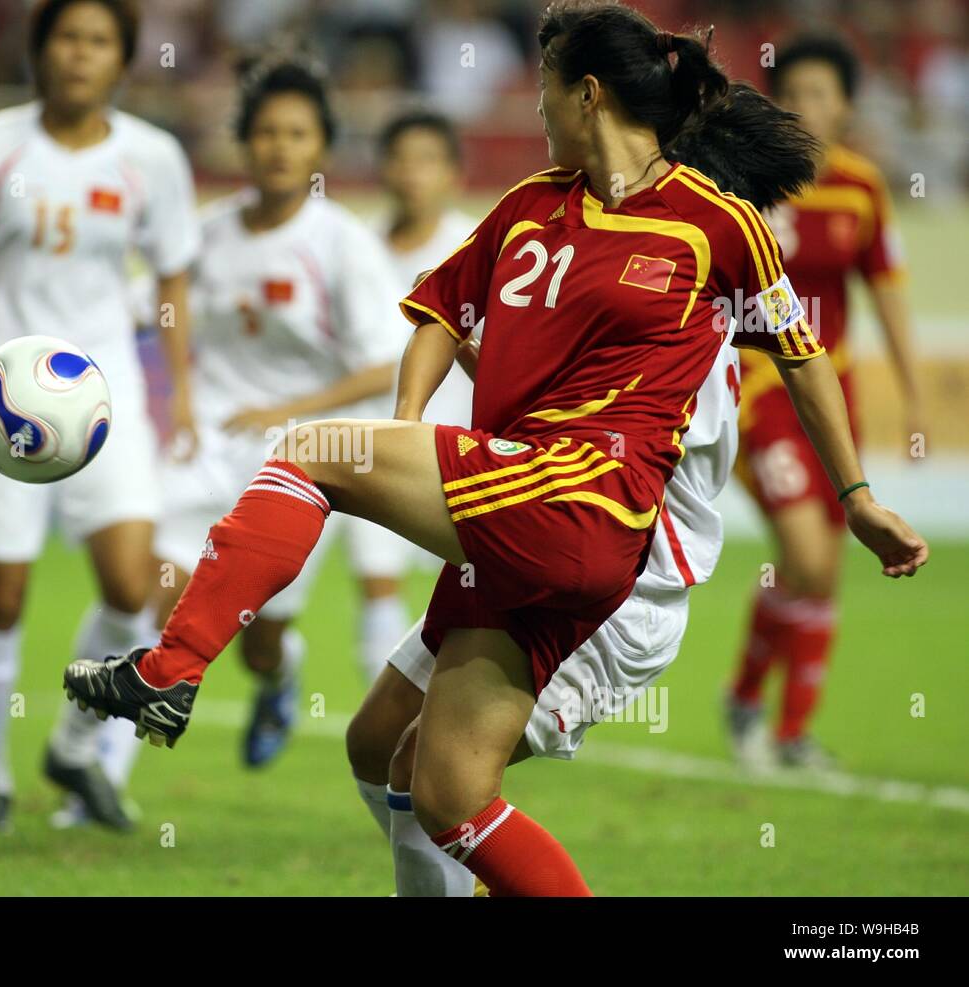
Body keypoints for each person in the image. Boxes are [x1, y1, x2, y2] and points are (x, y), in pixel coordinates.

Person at [65, 2, 926, 897]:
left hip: (609, 534)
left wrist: (857, 495)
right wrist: (408, 422)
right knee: (418, 773)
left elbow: (801, 352)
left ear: (586, 94)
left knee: (313, 452)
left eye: (547, 91)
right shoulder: (530, 208)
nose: (536, 112)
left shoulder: (715, 232)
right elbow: (442, 310)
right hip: (521, 502)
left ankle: (171, 669)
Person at [345, 92, 775, 895]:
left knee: (435, 777)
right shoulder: (631, 299)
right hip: (533, 548)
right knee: (374, 740)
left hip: (616, 590)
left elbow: (610, 445)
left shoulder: (688, 332)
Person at [0, 0, 199, 835]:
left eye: (99, 40)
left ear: (123, 59)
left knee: (132, 585)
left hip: (103, 402)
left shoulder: (155, 157)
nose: (81, 53)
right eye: (66, 36)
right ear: (38, 52)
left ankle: (72, 745)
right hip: (0, 400)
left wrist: (177, 388)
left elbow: (172, 275)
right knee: (1, 595)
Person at [149, 55, 403, 768]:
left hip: (298, 457)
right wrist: (182, 397)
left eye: (297, 133)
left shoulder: (342, 243)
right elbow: (156, 307)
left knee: (256, 634)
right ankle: (91, 774)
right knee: (155, 594)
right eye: (265, 132)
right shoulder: (206, 233)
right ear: (245, 142)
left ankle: (280, 671)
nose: (280, 147)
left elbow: (383, 363)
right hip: (205, 446)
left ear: (320, 146)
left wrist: (283, 411)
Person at [726, 33, 920, 769]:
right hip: (760, 395)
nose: (804, 106)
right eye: (794, 93)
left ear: (845, 106)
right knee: (804, 551)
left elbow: (889, 293)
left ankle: (784, 728)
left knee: (820, 569)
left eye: (819, 95)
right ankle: (754, 708)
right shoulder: (749, 181)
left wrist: (912, 394)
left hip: (832, 398)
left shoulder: (862, 188)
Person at [337, 109, 481, 686]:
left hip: (469, 446)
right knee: (378, 579)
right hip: (383, 438)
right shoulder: (356, 245)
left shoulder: (478, 246)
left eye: (428, 160)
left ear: (454, 175)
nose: (412, 173)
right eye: (400, 159)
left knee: (479, 593)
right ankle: (385, 719)